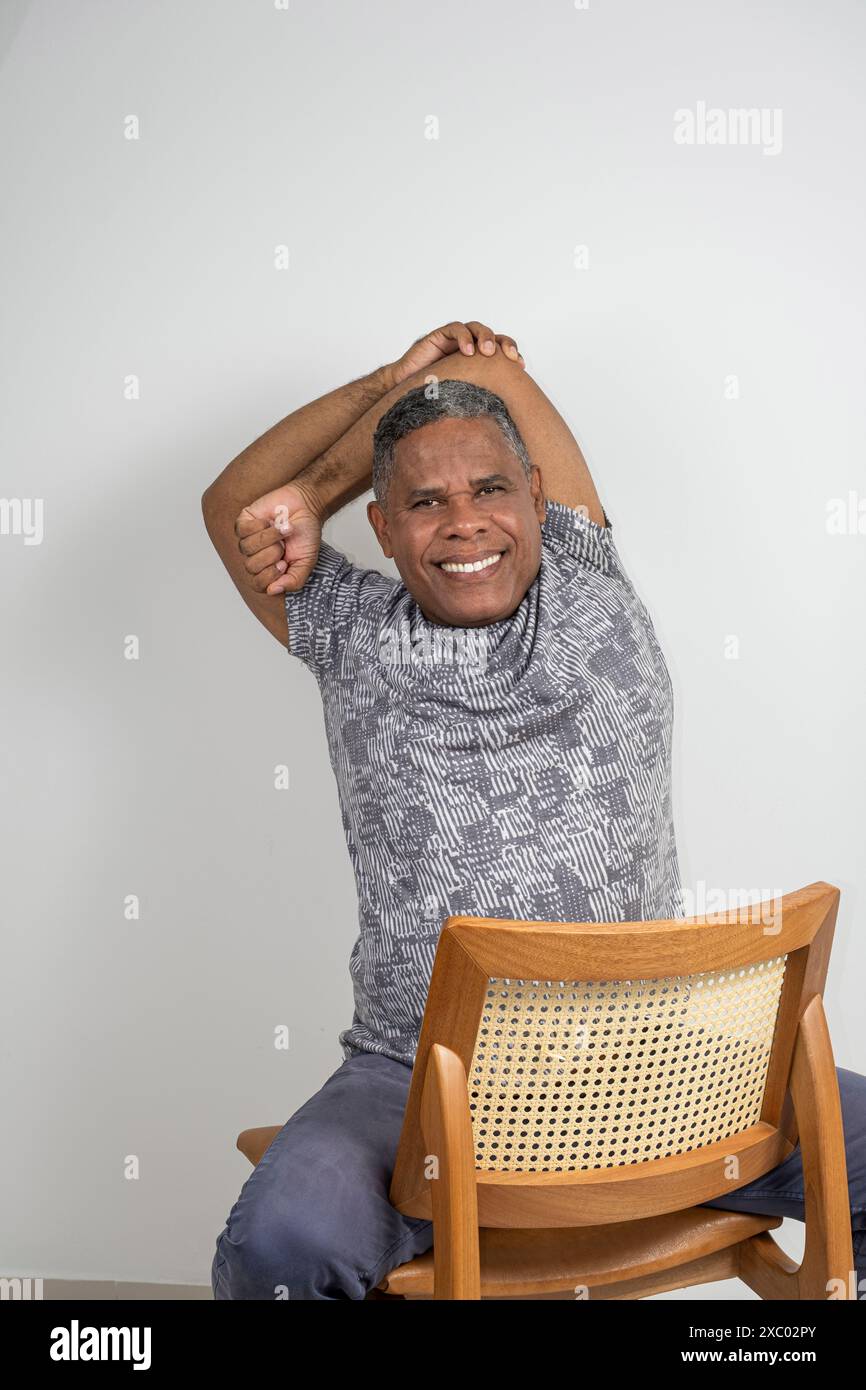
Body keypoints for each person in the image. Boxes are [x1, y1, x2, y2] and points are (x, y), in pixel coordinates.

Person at [202, 321, 866, 1300]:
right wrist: (376, 399)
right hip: (415, 1081)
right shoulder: (345, 629)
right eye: (423, 503)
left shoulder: (591, 592)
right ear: (380, 528)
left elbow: (481, 370)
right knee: (284, 1244)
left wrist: (328, 474)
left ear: (540, 504)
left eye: (488, 491)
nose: (463, 521)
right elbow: (231, 508)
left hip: (662, 1069)